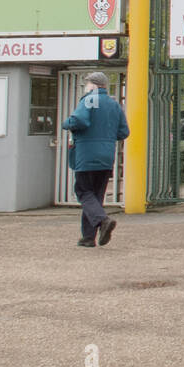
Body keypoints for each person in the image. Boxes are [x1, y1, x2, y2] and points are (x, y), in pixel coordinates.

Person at [62, 71, 130, 248]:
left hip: (87, 155)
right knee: (95, 196)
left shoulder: (90, 99)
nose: (86, 86)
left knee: (83, 191)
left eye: (87, 83)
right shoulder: (115, 104)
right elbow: (124, 132)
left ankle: (103, 220)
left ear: (93, 85)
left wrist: (67, 123)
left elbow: (80, 121)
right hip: (106, 156)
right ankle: (88, 238)